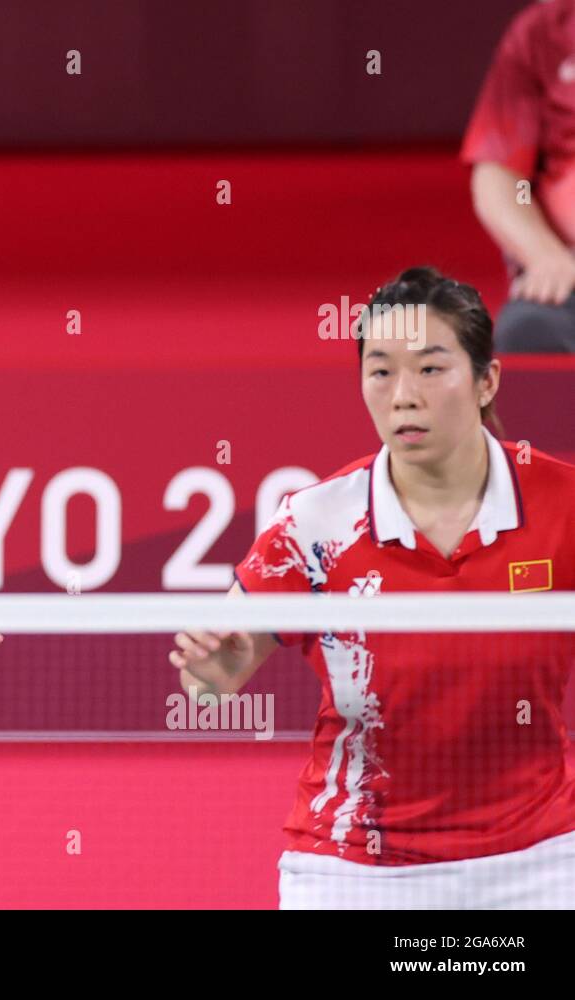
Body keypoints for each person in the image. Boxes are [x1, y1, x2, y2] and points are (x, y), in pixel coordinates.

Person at [169, 267, 575, 908]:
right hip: (357, 863)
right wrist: (211, 672)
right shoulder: (316, 524)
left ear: (486, 380)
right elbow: (208, 682)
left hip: (538, 860)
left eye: (431, 369)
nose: (403, 395)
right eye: (381, 370)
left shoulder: (563, 504)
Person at [463, 0, 575, 352]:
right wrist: (546, 256)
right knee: (528, 332)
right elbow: (500, 177)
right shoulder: (542, 31)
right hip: (570, 272)